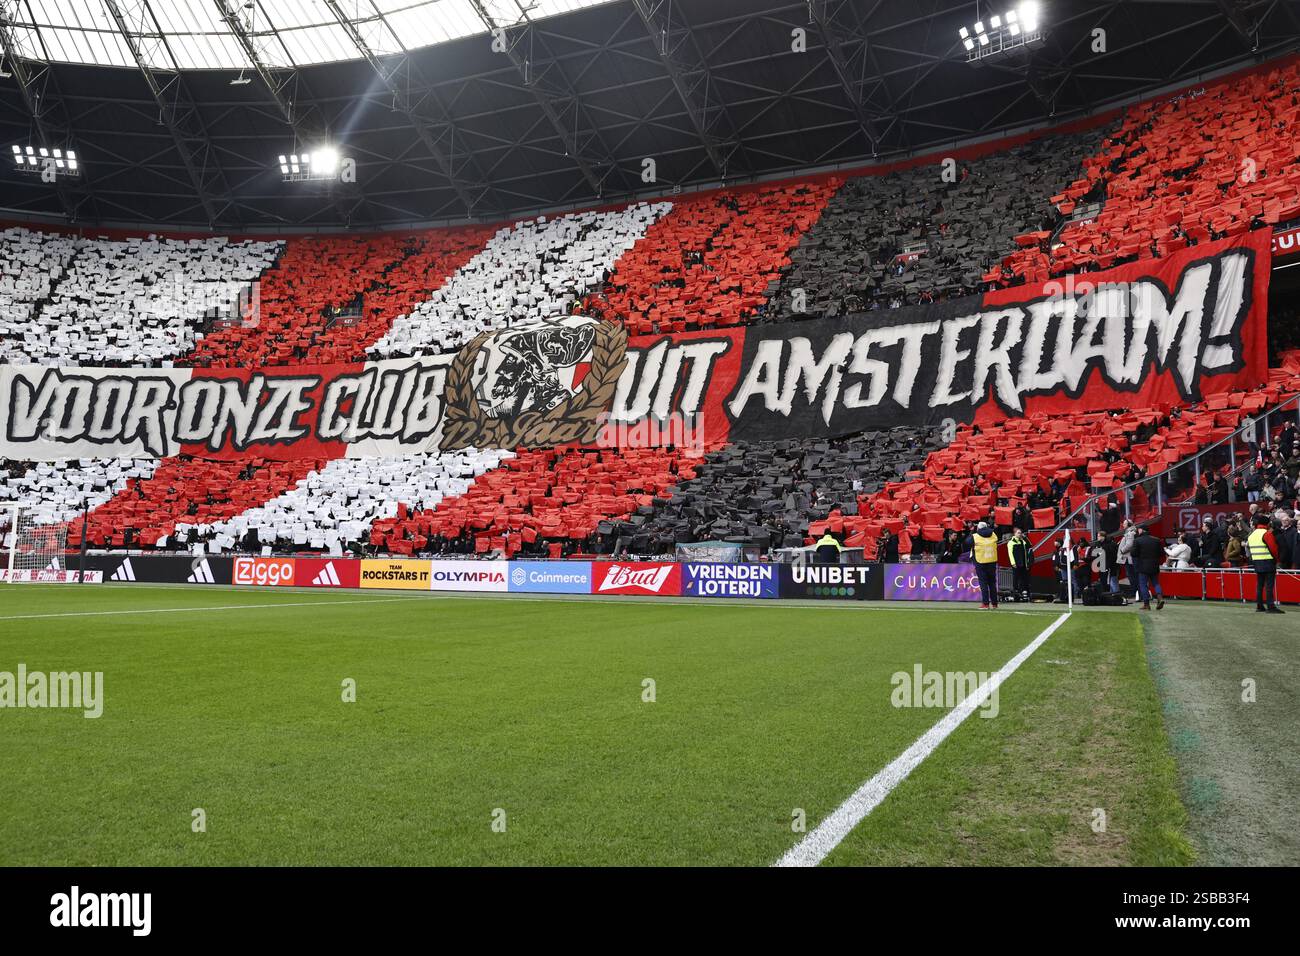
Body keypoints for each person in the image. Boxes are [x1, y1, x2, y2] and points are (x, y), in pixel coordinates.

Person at [1247, 513, 1284, 613]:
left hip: (1257, 562)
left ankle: (1259, 606)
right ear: (1267, 524)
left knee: (1259, 585)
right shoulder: (1267, 533)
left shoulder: (1252, 535)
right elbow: (1274, 549)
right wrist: (1277, 560)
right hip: (1268, 561)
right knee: (1269, 586)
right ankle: (1270, 606)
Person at [1130, 526, 1166, 611]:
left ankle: (1146, 604)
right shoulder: (1156, 540)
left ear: (1142, 530)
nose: (1138, 531)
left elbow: (1133, 554)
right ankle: (1160, 597)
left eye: (1138, 529)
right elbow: (1161, 553)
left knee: (1143, 584)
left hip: (1142, 566)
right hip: (1154, 565)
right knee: (1156, 583)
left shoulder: (1137, 540)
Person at [968, 521, 1000, 609]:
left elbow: (967, 543)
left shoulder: (975, 536)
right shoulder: (993, 534)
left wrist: (971, 531)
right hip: (992, 561)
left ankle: (985, 603)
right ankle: (995, 604)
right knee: (992, 583)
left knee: (983, 583)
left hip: (981, 561)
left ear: (978, 528)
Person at [1007, 526, 1032, 603]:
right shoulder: (1011, 542)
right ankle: (1016, 591)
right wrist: (1013, 563)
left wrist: (1025, 537)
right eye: (1018, 533)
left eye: (1021, 533)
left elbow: (1030, 545)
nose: (1020, 534)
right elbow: (1010, 553)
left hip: (1023, 563)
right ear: (1014, 534)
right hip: (1016, 563)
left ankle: (1024, 591)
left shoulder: (1023, 541)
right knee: (1016, 578)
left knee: (1024, 578)